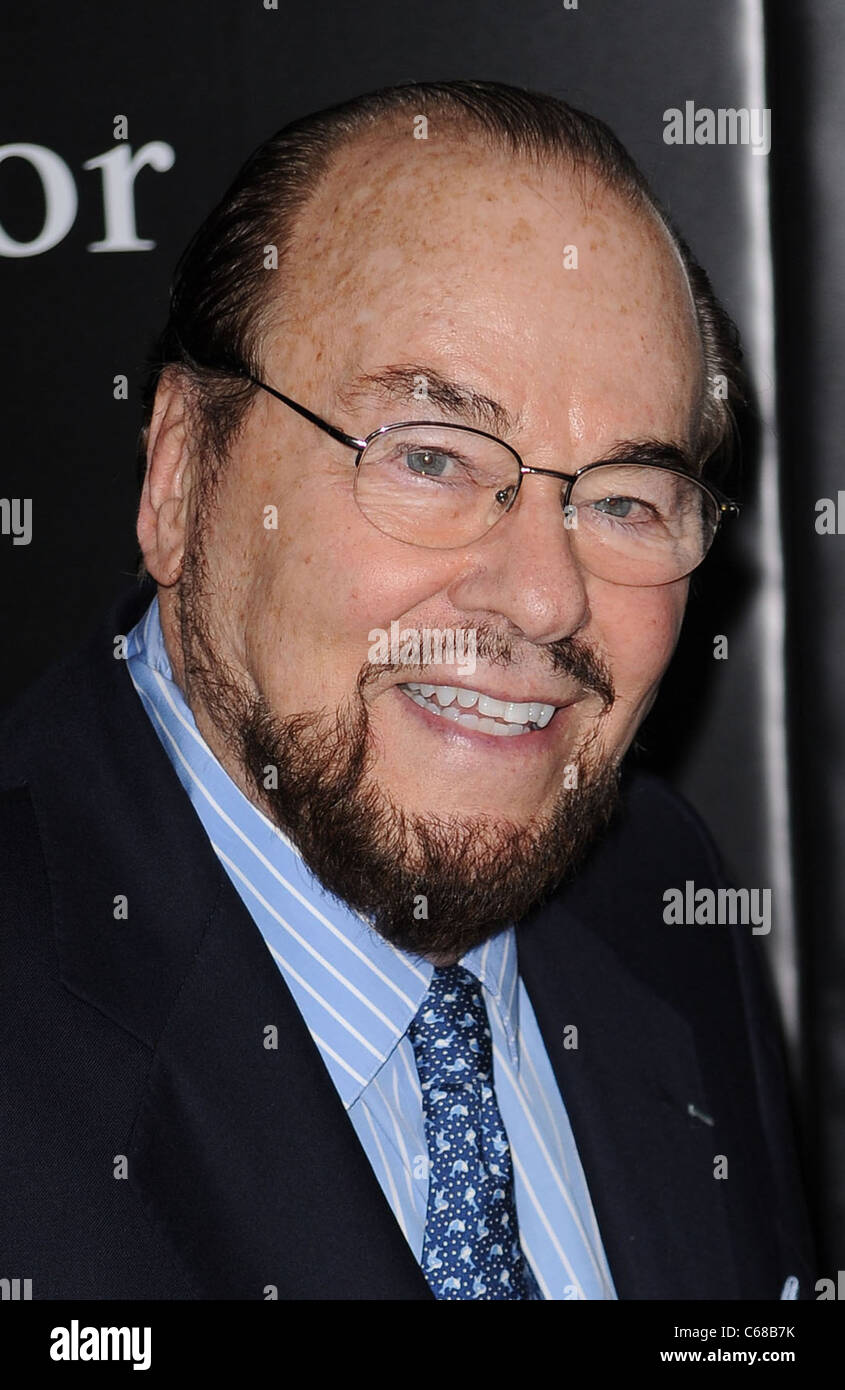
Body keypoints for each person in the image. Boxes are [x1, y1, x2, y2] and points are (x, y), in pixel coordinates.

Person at [0, 79, 814, 1300]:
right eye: (430, 457)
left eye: (625, 500)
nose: (543, 597)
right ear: (179, 475)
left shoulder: (656, 894)